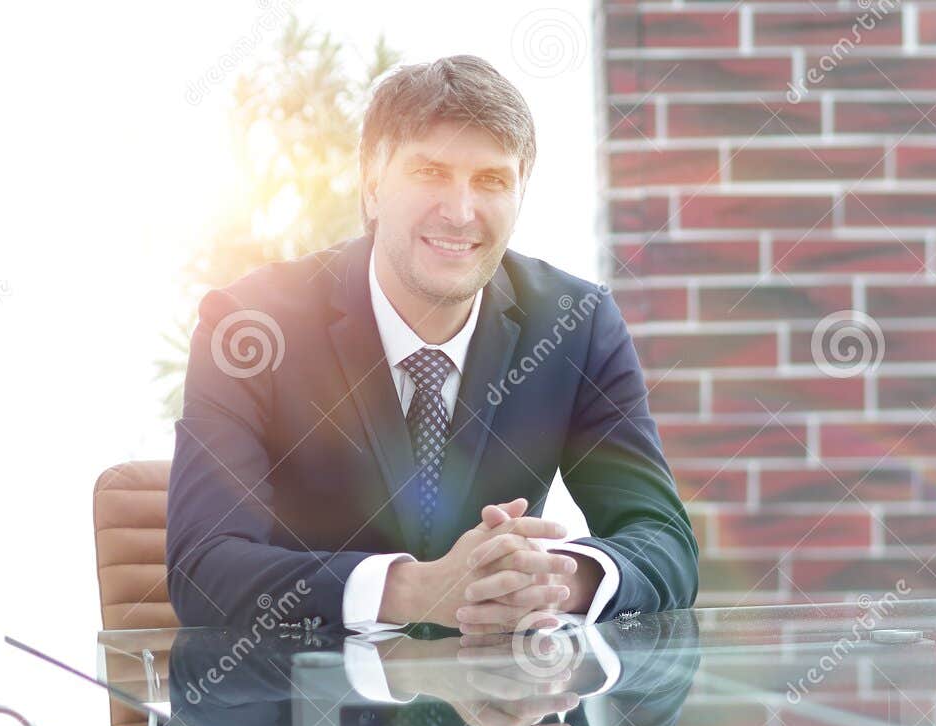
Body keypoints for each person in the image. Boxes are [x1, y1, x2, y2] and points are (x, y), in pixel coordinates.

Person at [166, 55, 697, 643]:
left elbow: (663, 539)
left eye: (492, 180)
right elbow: (205, 568)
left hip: (491, 716)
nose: (461, 211)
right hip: (296, 718)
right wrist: (418, 591)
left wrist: (553, 581)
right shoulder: (249, 326)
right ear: (371, 186)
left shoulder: (576, 325)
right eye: (429, 172)